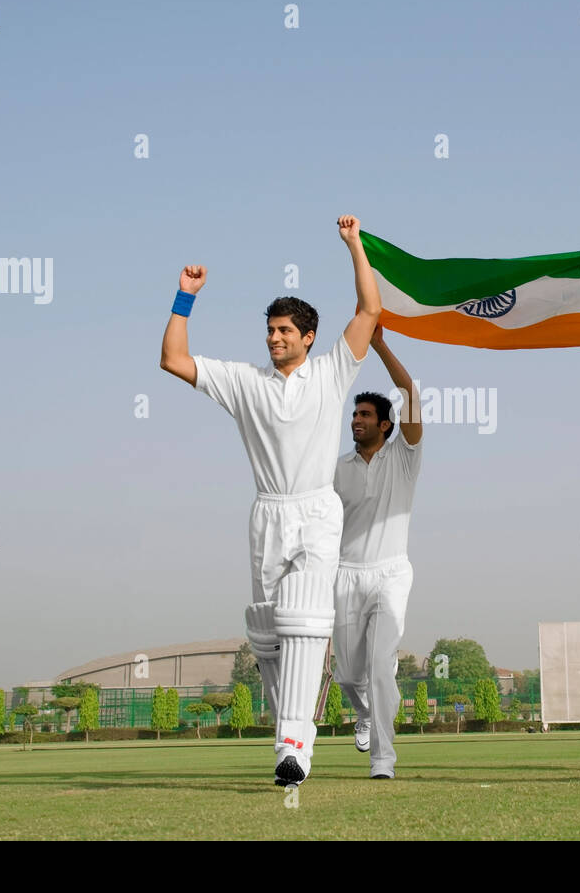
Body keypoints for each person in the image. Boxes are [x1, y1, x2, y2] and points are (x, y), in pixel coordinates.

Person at [159, 215, 381, 786]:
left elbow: (369, 312)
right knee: (268, 633)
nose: (275, 337)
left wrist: (355, 245)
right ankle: (292, 733)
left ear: (307, 337)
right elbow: (174, 361)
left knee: (306, 619)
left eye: (285, 331)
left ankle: (292, 747)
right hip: (267, 512)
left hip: (316, 510)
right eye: (271, 330)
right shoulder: (244, 381)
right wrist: (184, 299)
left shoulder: (332, 374)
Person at [332, 325, 423, 779]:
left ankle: (383, 760)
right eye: (354, 415)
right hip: (346, 574)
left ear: (384, 424)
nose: (356, 421)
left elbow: (408, 391)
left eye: (365, 415)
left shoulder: (404, 456)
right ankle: (366, 713)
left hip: (391, 575)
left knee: (381, 666)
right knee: (349, 676)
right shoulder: (338, 469)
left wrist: (381, 344)